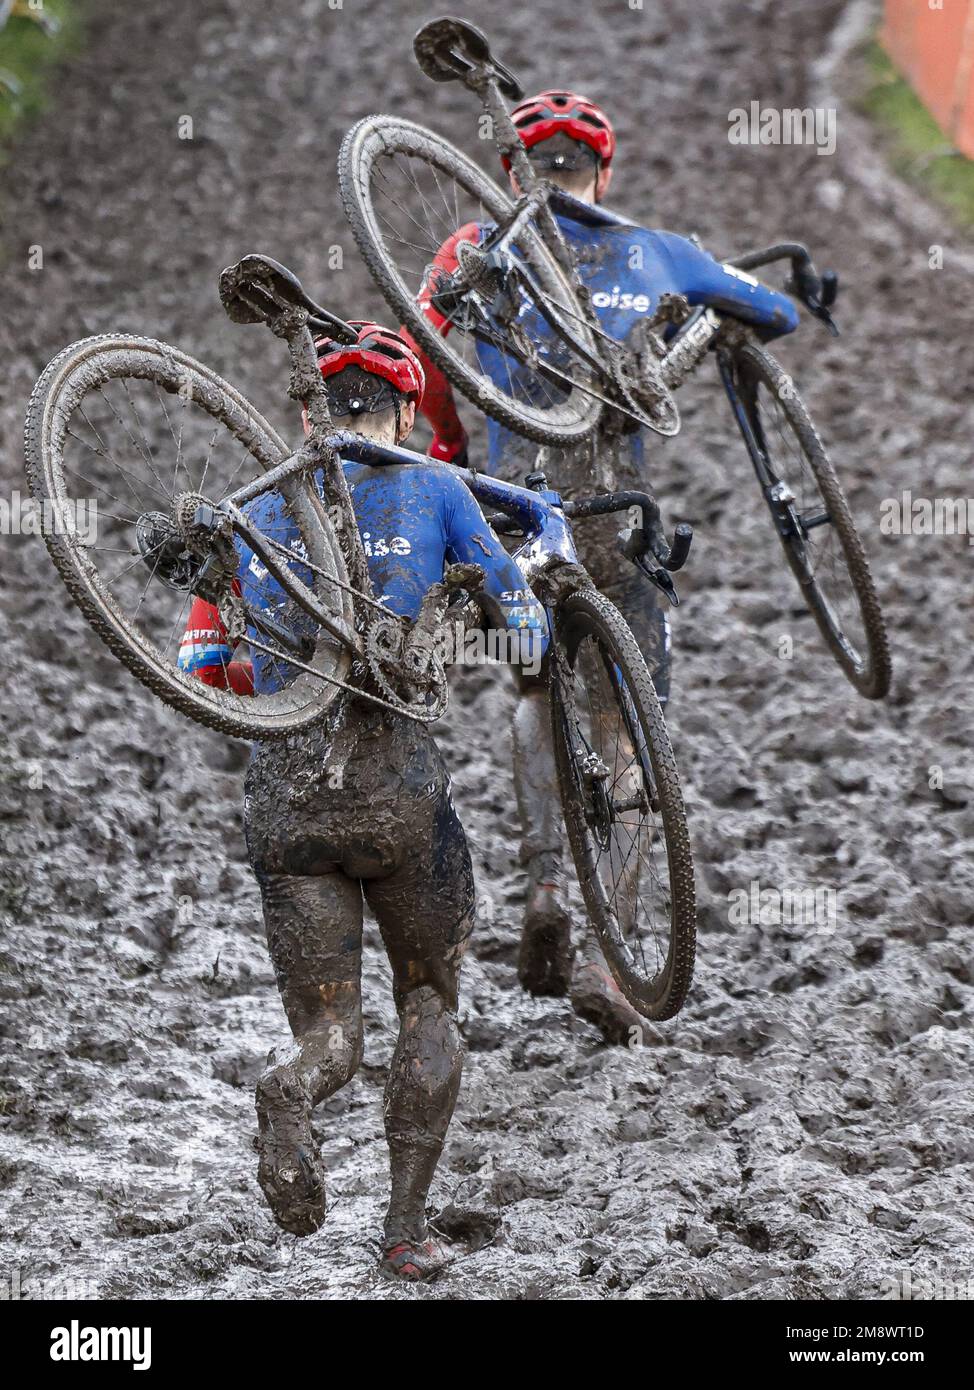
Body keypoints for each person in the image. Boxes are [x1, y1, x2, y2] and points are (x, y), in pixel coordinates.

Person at [407, 90, 801, 1042]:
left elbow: (422, 352)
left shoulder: (475, 247)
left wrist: (457, 446)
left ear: (512, 173)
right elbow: (775, 312)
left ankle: (546, 881)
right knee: (623, 726)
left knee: (537, 693)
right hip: (615, 510)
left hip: (514, 511)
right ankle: (609, 958)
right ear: (603, 173)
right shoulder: (656, 247)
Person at [178, 323, 548, 1280]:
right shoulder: (436, 487)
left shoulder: (252, 508)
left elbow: (205, 671)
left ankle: (292, 1085)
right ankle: (403, 1230)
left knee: (331, 1033)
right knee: (429, 998)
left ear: (309, 410)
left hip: (287, 806)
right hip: (401, 806)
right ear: (408, 414)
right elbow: (527, 637)